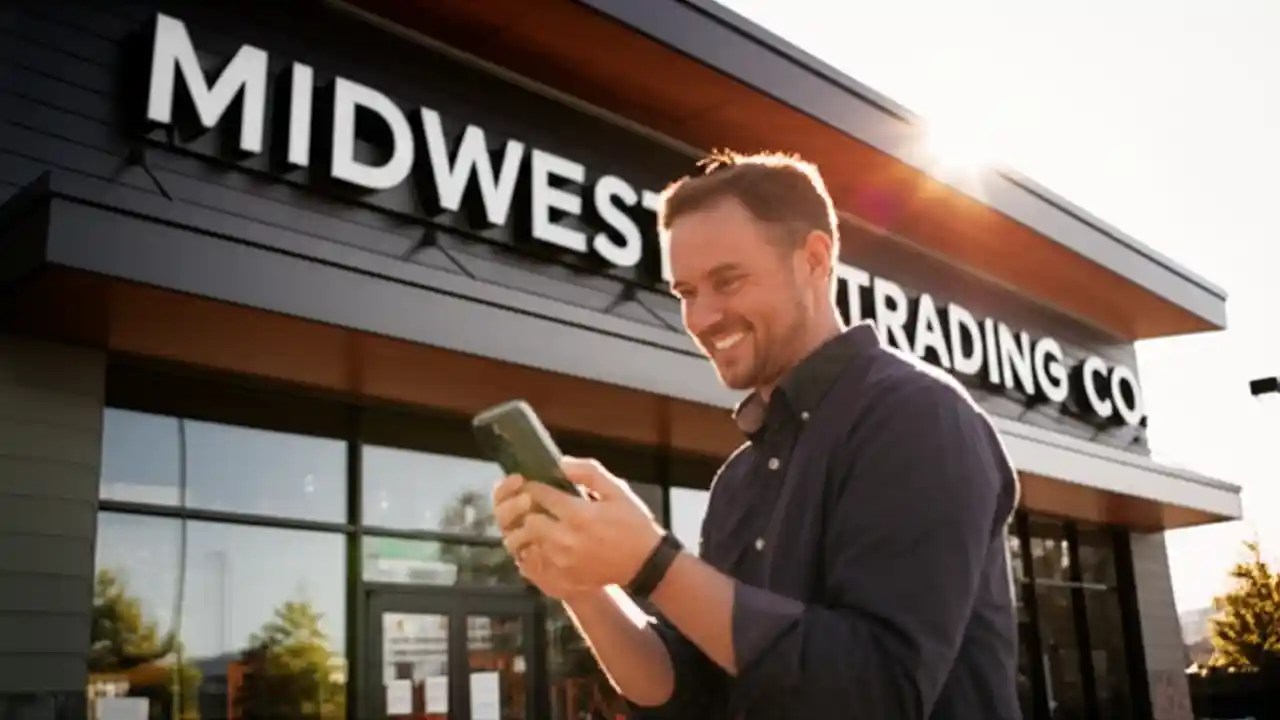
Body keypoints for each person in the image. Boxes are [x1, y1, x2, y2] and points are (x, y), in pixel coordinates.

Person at [492, 150, 1022, 719]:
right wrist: (584, 585)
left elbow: (878, 693)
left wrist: (652, 562)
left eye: (728, 280)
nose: (700, 318)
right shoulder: (737, 482)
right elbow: (688, 692)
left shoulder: (918, 416)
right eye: (687, 293)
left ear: (815, 260)